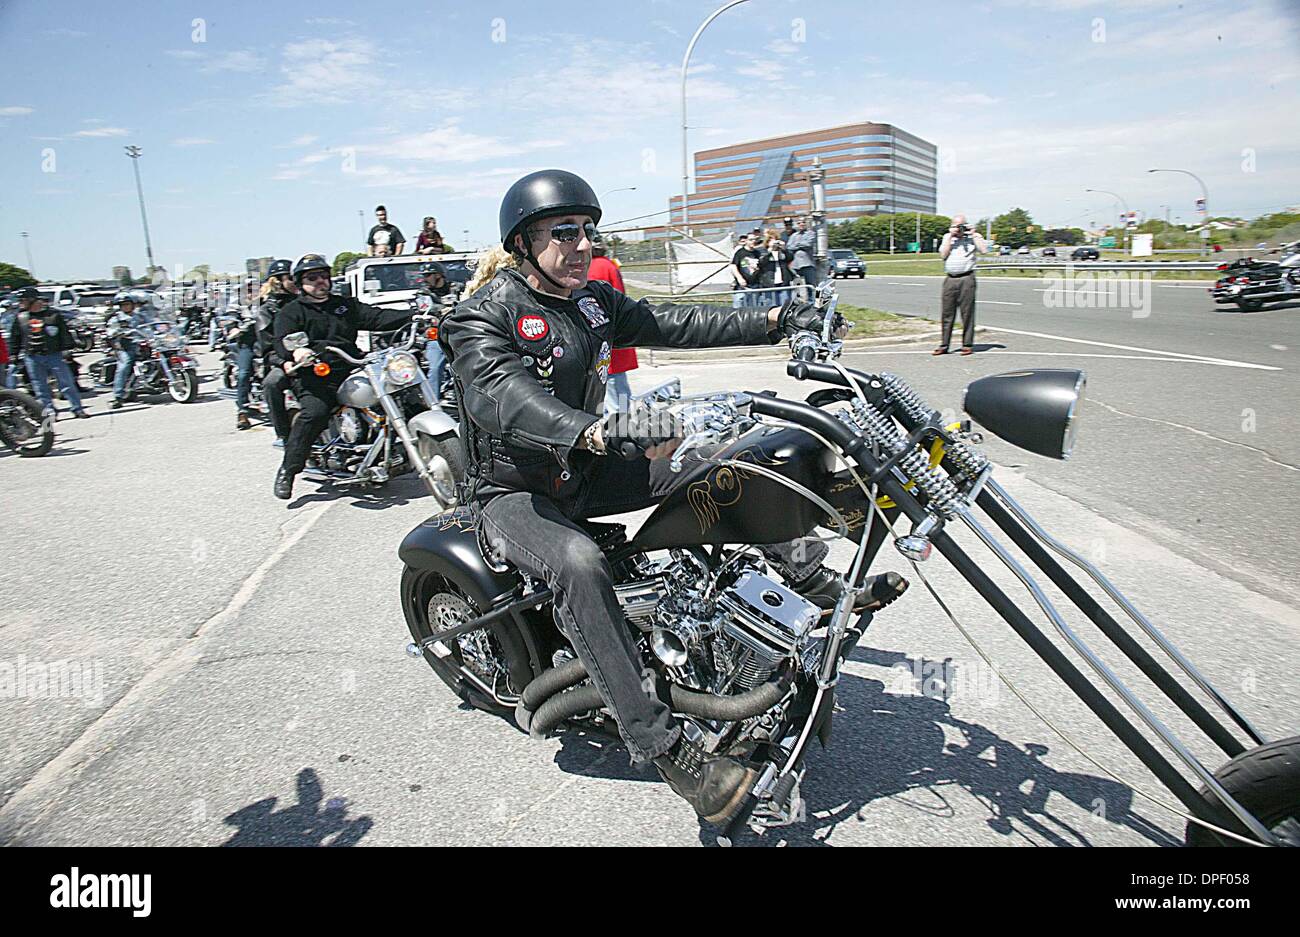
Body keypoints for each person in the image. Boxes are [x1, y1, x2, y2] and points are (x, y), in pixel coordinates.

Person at [442, 169, 905, 824]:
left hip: (587, 469)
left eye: (587, 231)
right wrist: (596, 431)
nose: (580, 244)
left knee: (715, 457)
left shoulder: (592, 302)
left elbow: (678, 320)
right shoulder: (481, 315)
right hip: (516, 490)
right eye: (563, 232)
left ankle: (810, 575)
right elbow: (505, 400)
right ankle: (668, 750)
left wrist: (776, 318)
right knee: (578, 564)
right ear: (523, 242)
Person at [271, 253, 415, 499]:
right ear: (300, 283)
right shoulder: (292, 311)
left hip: (352, 366)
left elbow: (377, 317)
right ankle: (288, 470)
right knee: (314, 413)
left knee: (403, 391)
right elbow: (282, 341)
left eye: (324, 276)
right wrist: (297, 351)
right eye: (312, 277)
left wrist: (414, 315)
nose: (320, 281)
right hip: (315, 376)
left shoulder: (344, 305)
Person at [7, 287, 89, 419]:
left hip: (54, 355)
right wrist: (13, 354)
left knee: (66, 383)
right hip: (32, 356)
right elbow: (15, 338)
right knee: (40, 386)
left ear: (32, 299)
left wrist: (67, 350)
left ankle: (77, 409)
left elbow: (64, 334)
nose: (20, 303)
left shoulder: (53, 315)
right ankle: (49, 411)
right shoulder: (21, 317)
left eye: (23, 300)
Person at [586, 231, 636, 413]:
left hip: (590, 343)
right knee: (618, 399)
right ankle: (621, 434)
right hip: (611, 342)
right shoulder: (607, 266)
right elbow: (621, 301)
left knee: (598, 399)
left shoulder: (582, 267)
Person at [255, 259, 297, 447]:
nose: (296, 282)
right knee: (272, 383)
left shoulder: (306, 301)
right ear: (278, 281)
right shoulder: (268, 310)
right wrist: (284, 362)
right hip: (285, 360)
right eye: (291, 278)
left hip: (315, 356)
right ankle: (284, 435)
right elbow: (268, 347)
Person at [934, 213, 988, 356]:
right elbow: (943, 255)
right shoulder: (947, 237)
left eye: (961, 226)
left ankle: (967, 344)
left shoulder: (973, 238)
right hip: (950, 278)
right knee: (947, 313)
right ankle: (944, 344)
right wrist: (951, 236)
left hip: (967, 278)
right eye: (955, 226)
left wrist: (974, 234)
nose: (959, 229)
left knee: (967, 312)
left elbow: (984, 250)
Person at [107, 289, 157, 409]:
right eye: (124, 305)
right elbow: (111, 330)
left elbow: (153, 324)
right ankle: (117, 396)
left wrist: (161, 328)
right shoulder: (116, 318)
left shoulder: (140, 316)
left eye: (128, 304)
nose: (126, 307)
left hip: (143, 343)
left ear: (133, 305)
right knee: (125, 365)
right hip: (126, 345)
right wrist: (116, 332)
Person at [417, 261, 453, 396]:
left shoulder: (456, 288)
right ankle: (434, 403)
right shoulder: (423, 292)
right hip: (436, 337)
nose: (425, 279)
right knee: (435, 368)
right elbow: (425, 307)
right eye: (425, 275)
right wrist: (444, 309)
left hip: (458, 333)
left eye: (428, 275)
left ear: (439, 275)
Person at [759, 227, 793, 307]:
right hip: (769, 284)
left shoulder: (782, 251)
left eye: (775, 239)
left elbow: (790, 258)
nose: (774, 242)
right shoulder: (763, 251)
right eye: (771, 240)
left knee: (785, 306)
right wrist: (770, 252)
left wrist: (784, 249)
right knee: (771, 307)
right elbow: (761, 263)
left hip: (783, 283)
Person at [786, 216, 818, 289]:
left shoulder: (811, 233)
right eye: (799, 223)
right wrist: (800, 245)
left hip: (807, 264)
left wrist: (796, 244)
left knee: (811, 286)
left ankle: (812, 300)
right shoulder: (793, 235)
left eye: (803, 222)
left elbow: (808, 244)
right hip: (795, 265)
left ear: (806, 223)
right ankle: (798, 300)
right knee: (795, 286)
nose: (801, 224)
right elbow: (789, 247)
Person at [730, 231, 763, 297]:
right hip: (742, 286)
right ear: (746, 241)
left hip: (755, 285)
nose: (753, 241)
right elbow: (733, 266)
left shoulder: (757, 253)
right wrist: (739, 278)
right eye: (751, 240)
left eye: (754, 240)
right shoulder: (740, 253)